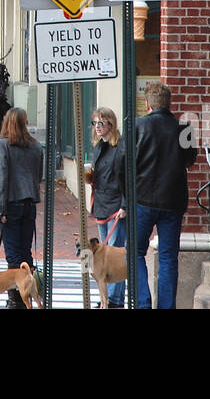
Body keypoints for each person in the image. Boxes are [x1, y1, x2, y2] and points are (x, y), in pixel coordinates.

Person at [128, 79, 196, 309]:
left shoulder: (137, 126)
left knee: (135, 252)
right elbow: (190, 160)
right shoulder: (183, 128)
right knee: (168, 257)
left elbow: (124, 163)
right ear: (169, 104)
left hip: (143, 199)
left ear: (148, 104)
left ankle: (143, 303)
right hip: (173, 200)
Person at [0, 107, 44, 309]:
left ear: (7, 122)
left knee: (13, 255)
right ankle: (27, 295)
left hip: (11, 204)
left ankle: (16, 300)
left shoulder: (3, 145)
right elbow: (38, 175)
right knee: (25, 252)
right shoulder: (36, 146)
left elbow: (1, 177)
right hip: (29, 203)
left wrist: (1, 208)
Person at [88, 106, 126, 307]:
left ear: (111, 123)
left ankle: (115, 299)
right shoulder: (98, 147)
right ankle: (106, 299)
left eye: (101, 123)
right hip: (101, 204)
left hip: (115, 206)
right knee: (103, 255)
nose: (97, 127)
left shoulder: (119, 147)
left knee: (116, 255)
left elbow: (125, 178)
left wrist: (124, 205)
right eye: (95, 123)